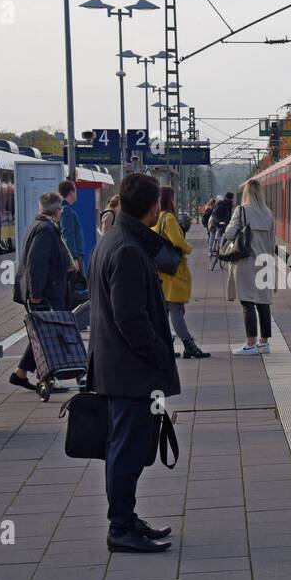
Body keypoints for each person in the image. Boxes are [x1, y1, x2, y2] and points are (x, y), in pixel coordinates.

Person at [86, 173, 179, 553]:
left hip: (120, 367)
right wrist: (160, 353)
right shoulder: (127, 249)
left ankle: (127, 518)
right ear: (154, 208)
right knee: (126, 451)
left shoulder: (113, 240)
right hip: (129, 372)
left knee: (126, 448)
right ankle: (120, 527)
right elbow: (131, 319)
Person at [10, 192, 75, 391]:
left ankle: (21, 374)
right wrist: (36, 293)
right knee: (48, 333)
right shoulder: (46, 230)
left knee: (42, 333)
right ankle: (43, 379)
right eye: (61, 210)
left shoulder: (37, 225)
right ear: (56, 212)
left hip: (45, 291)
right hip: (46, 293)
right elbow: (36, 263)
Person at [155, 185, 209, 360]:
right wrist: (188, 248)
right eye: (174, 197)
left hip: (163, 271)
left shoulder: (158, 217)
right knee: (176, 309)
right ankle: (189, 344)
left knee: (166, 311)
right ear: (169, 199)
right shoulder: (169, 218)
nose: (176, 200)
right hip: (173, 272)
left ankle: (164, 346)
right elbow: (177, 240)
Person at [224, 179, 277, 355]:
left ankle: (250, 343)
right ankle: (264, 343)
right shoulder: (268, 213)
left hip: (247, 262)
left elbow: (229, 233)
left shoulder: (241, 211)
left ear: (246, 193)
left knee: (247, 302)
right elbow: (272, 242)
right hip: (265, 261)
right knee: (263, 303)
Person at [58, 179, 86, 274]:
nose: (76, 194)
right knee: (77, 286)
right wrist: (74, 258)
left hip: (75, 255)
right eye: (75, 191)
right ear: (71, 193)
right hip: (75, 256)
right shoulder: (66, 211)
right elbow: (68, 235)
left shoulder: (65, 209)